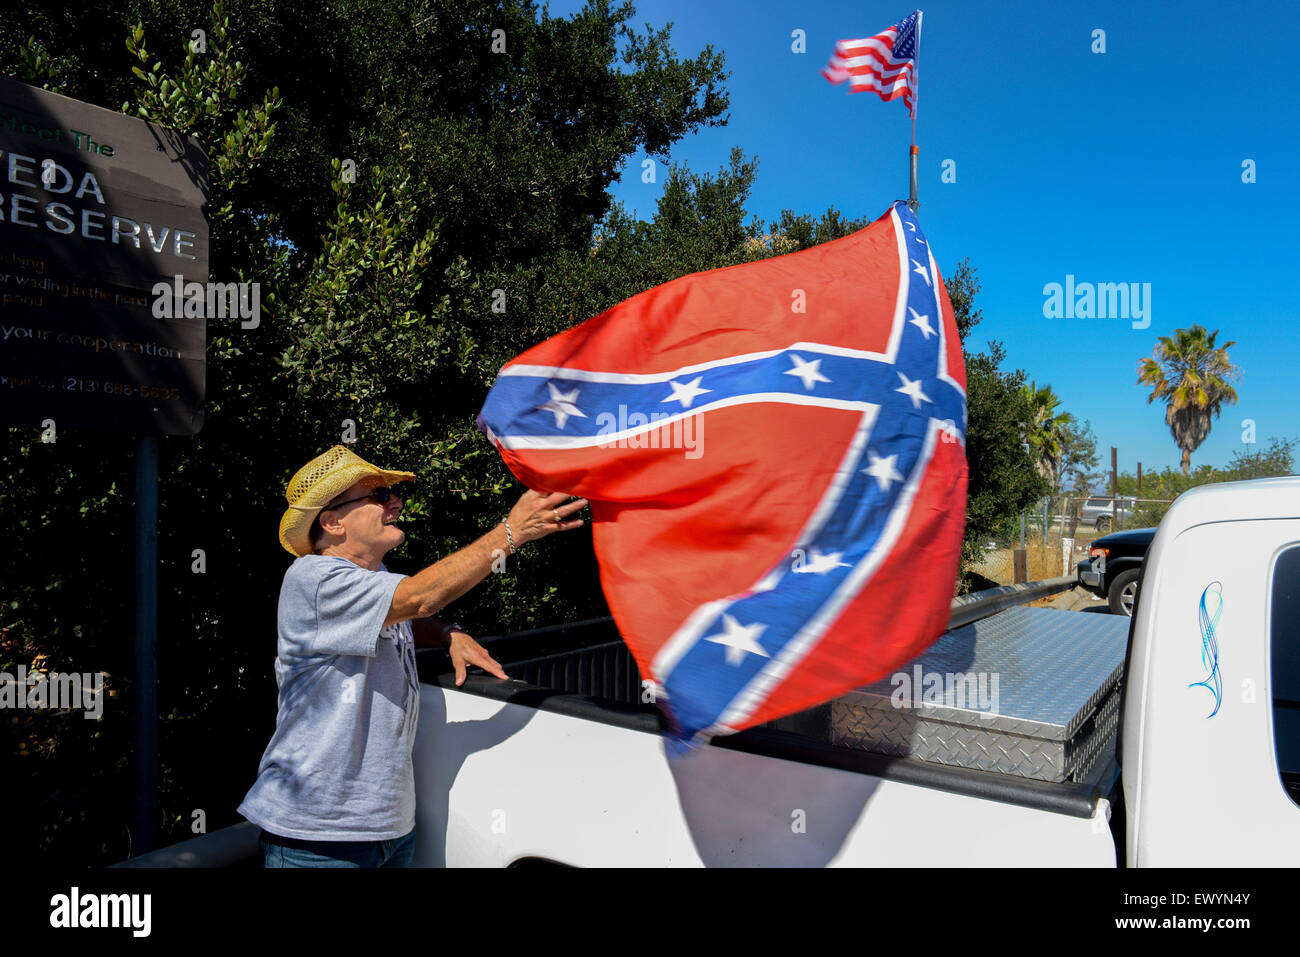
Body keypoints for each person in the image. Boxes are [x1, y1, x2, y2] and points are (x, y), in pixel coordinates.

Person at [238, 444, 587, 867]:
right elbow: (418, 599)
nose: (396, 502)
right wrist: (512, 532)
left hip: (388, 831)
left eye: (392, 493)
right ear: (332, 522)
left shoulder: (372, 577)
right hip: (319, 839)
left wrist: (446, 632)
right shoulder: (314, 579)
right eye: (379, 496)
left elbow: (404, 613)